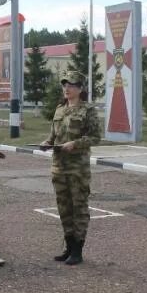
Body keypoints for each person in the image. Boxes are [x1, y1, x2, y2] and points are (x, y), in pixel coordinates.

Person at [40, 70, 100, 266]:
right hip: (59, 166)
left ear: (80, 88)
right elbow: (53, 135)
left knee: (79, 208)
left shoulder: (88, 110)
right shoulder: (59, 109)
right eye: (64, 85)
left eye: (71, 85)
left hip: (77, 169)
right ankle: (68, 247)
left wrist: (75, 144)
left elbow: (95, 137)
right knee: (64, 208)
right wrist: (47, 142)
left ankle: (78, 251)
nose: (67, 88)